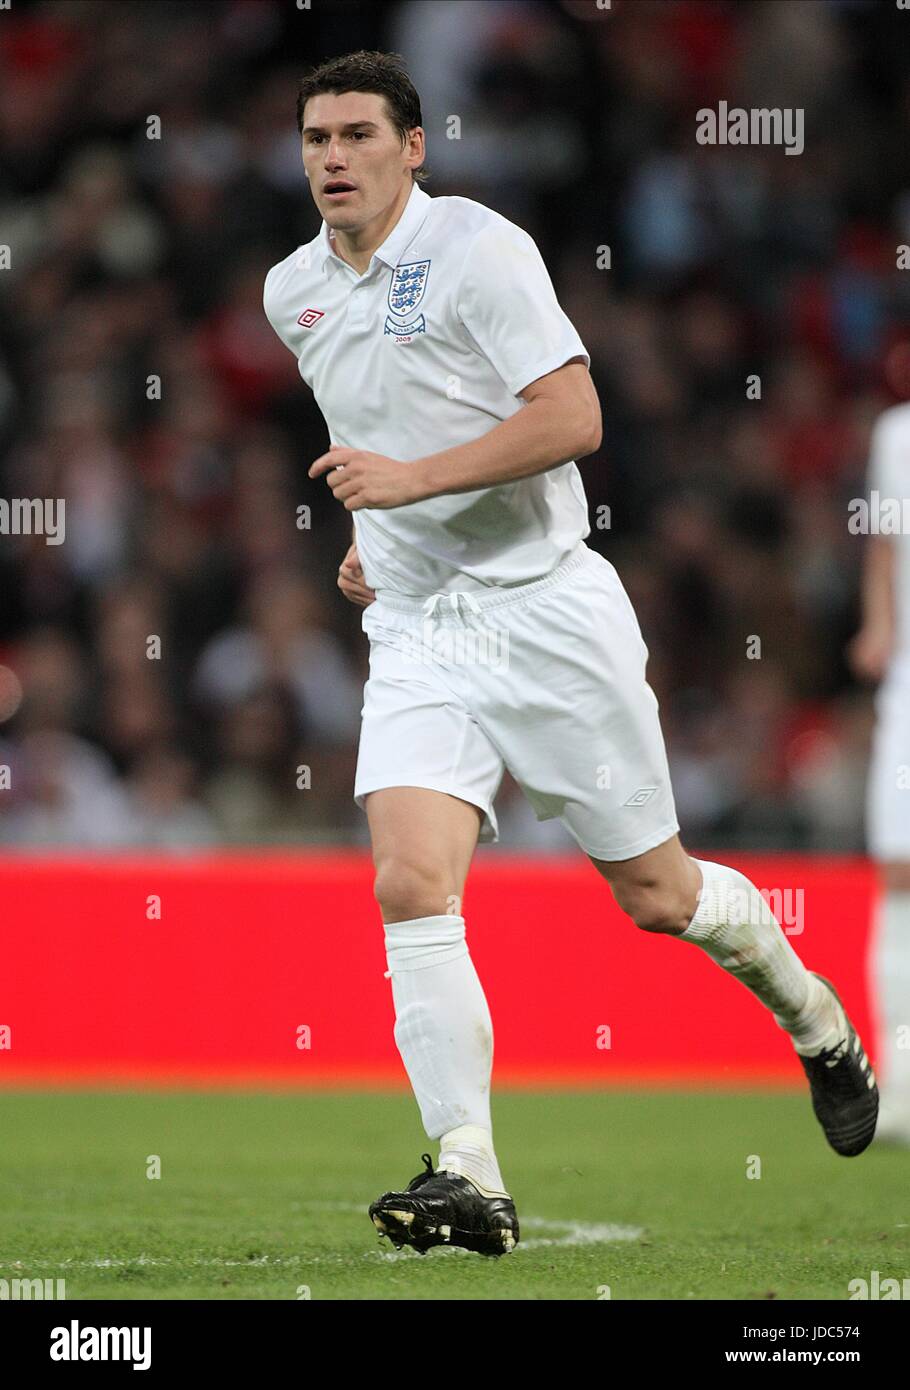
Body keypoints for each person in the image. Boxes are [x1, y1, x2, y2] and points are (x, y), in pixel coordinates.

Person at [263, 50, 878, 1259]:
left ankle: (815, 1021)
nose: (333, 157)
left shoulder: (479, 251)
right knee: (407, 881)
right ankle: (468, 1176)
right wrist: (368, 532)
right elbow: (369, 435)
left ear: (414, 146)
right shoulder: (293, 291)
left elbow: (572, 417)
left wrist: (412, 486)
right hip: (420, 623)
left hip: (544, 609)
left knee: (659, 895)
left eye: (356, 135)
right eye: (315, 138)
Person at [849, 402, 910, 1147]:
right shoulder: (896, 432)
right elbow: (884, 543)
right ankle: (898, 1078)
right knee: (898, 872)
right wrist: (878, 625)